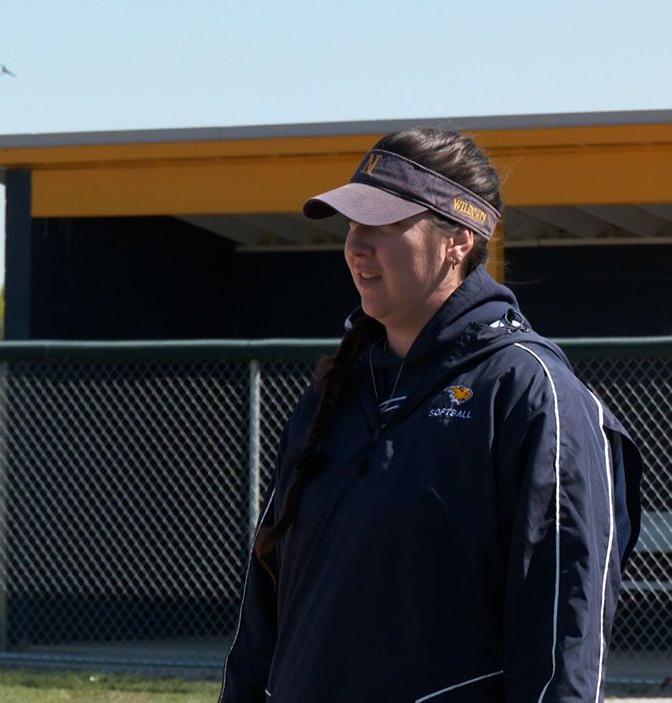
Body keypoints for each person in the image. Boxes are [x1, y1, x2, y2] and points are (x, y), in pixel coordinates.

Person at [219, 128, 642, 702]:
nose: (356, 246)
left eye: (383, 224)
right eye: (351, 225)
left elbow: (562, 645)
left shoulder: (530, 395)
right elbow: (263, 619)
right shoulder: (334, 396)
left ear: (459, 240)